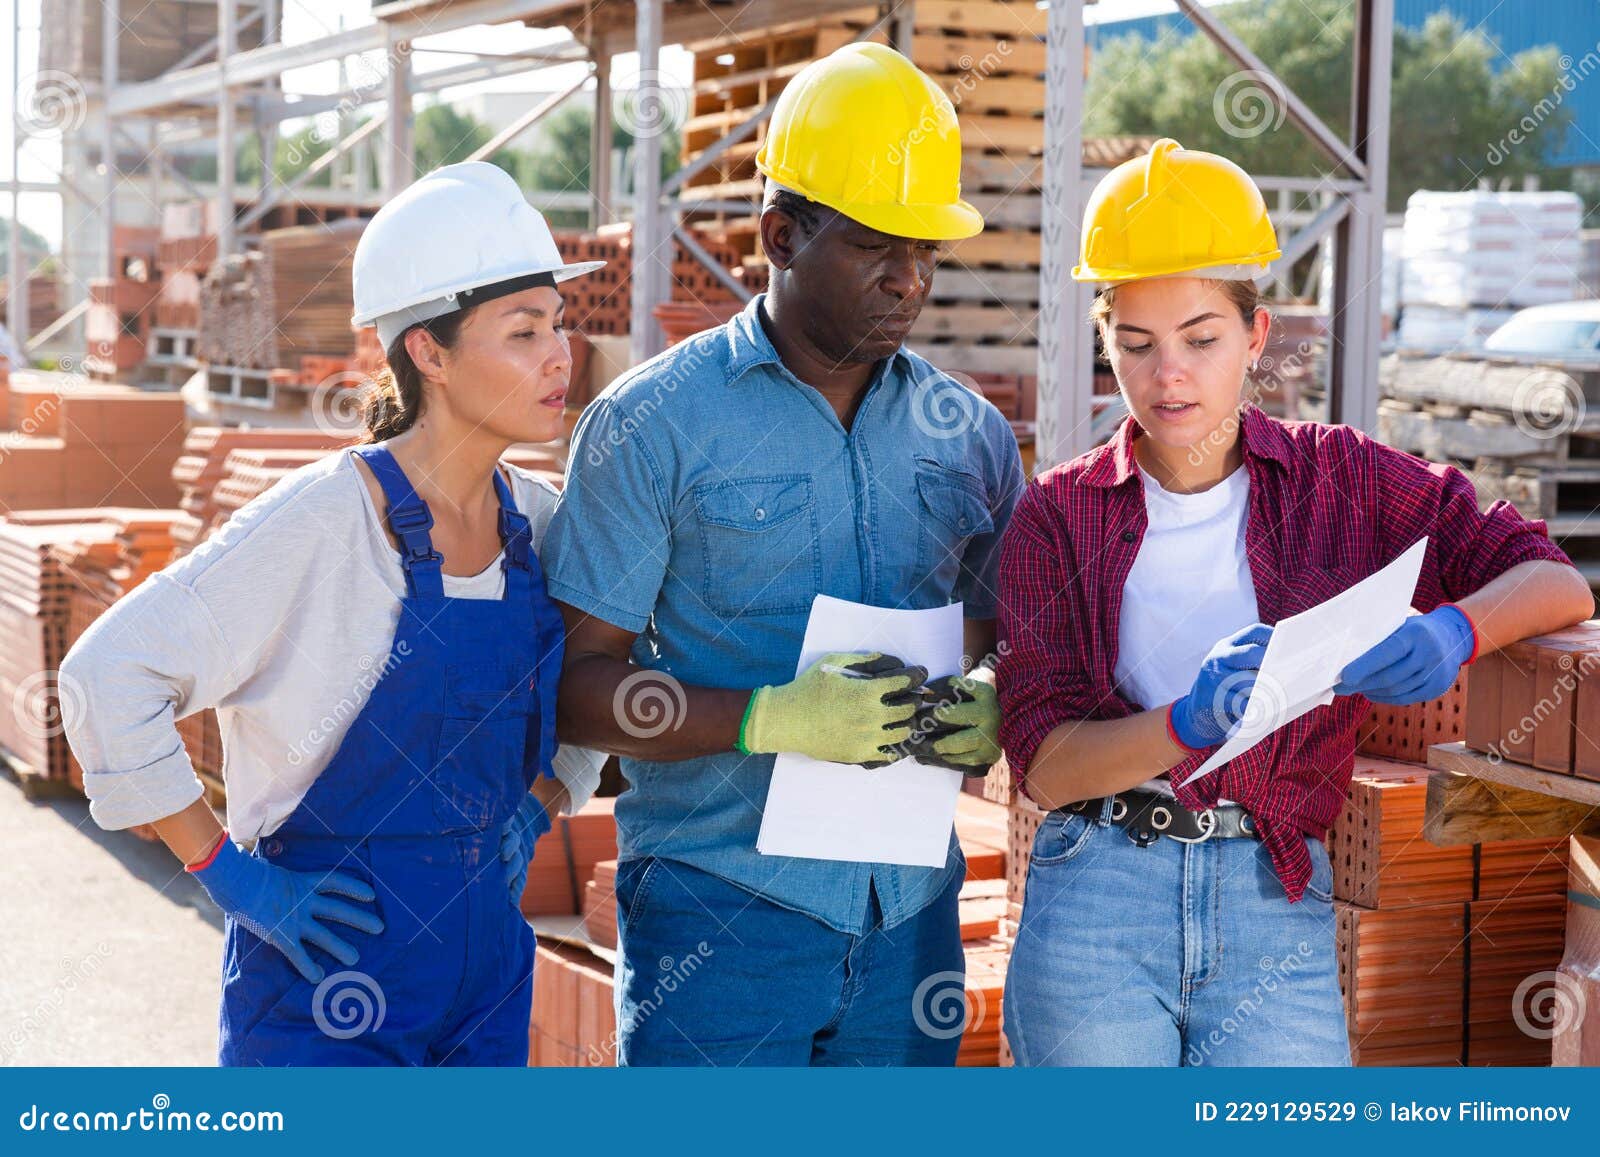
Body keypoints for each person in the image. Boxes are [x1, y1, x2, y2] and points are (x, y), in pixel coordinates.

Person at [996, 139, 1593, 1067]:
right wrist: (1186, 723)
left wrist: (1458, 629)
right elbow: (1044, 765)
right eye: (1137, 344)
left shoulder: (1342, 478)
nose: (1168, 376)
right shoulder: (1059, 514)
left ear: (1257, 335)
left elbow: (1554, 576)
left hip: (1271, 893)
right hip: (1101, 892)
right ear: (1105, 338)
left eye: (1202, 339)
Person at [542, 42, 1024, 1066]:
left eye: (927, 250)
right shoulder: (653, 426)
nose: (909, 279)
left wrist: (995, 697)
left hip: (910, 919)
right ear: (781, 234)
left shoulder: (968, 436)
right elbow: (577, 688)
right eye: (875, 246)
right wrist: (767, 716)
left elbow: (1005, 636)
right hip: (720, 918)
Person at [60, 162, 606, 1066]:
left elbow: (600, 679)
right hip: (326, 989)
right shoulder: (324, 522)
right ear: (428, 353)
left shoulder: (540, 526)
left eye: (557, 323)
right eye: (524, 331)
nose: (561, 355)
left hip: (485, 986)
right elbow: (104, 677)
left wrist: (545, 798)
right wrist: (232, 878)